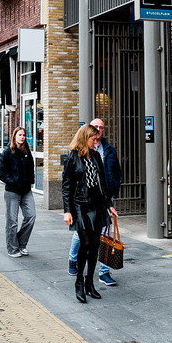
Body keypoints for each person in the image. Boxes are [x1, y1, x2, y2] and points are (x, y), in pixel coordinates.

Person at [62, 122, 117, 304]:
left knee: (94, 246)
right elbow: (66, 186)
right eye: (93, 139)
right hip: (80, 206)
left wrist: (109, 205)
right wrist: (67, 211)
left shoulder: (95, 156)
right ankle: (79, 282)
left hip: (97, 205)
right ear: (85, 139)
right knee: (85, 243)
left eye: (97, 139)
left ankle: (89, 283)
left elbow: (102, 184)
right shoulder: (72, 157)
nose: (96, 142)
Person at [0, 126, 36, 257]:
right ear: (14, 136)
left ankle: (21, 243)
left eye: (24, 135)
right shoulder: (8, 151)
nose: (22, 137)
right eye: (20, 135)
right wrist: (13, 181)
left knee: (31, 216)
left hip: (26, 190)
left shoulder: (26, 150)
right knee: (12, 221)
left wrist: (30, 180)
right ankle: (12, 249)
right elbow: (0, 171)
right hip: (12, 191)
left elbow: (31, 166)